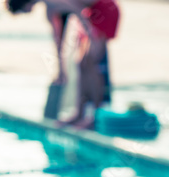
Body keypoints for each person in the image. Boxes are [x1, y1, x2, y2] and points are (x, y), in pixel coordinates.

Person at [7, 0, 119, 129]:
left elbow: (78, 10)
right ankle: (79, 114)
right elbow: (58, 40)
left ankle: (95, 115)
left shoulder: (53, 2)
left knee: (91, 62)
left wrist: (91, 36)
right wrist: (60, 70)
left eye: (21, 11)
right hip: (89, 17)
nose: (25, 14)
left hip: (103, 10)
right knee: (81, 63)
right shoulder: (49, 10)